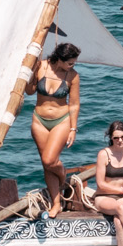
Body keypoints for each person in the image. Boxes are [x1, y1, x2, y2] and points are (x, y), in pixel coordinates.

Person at [25, 42, 81, 214]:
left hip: (61, 121)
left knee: (50, 160)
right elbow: (29, 91)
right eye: (70, 62)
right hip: (39, 120)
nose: (72, 65)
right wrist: (31, 73)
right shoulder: (41, 66)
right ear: (60, 59)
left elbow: (74, 104)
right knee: (46, 164)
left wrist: (73, 129)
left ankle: (62, 173)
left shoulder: (72, 76)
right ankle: (56, 203)